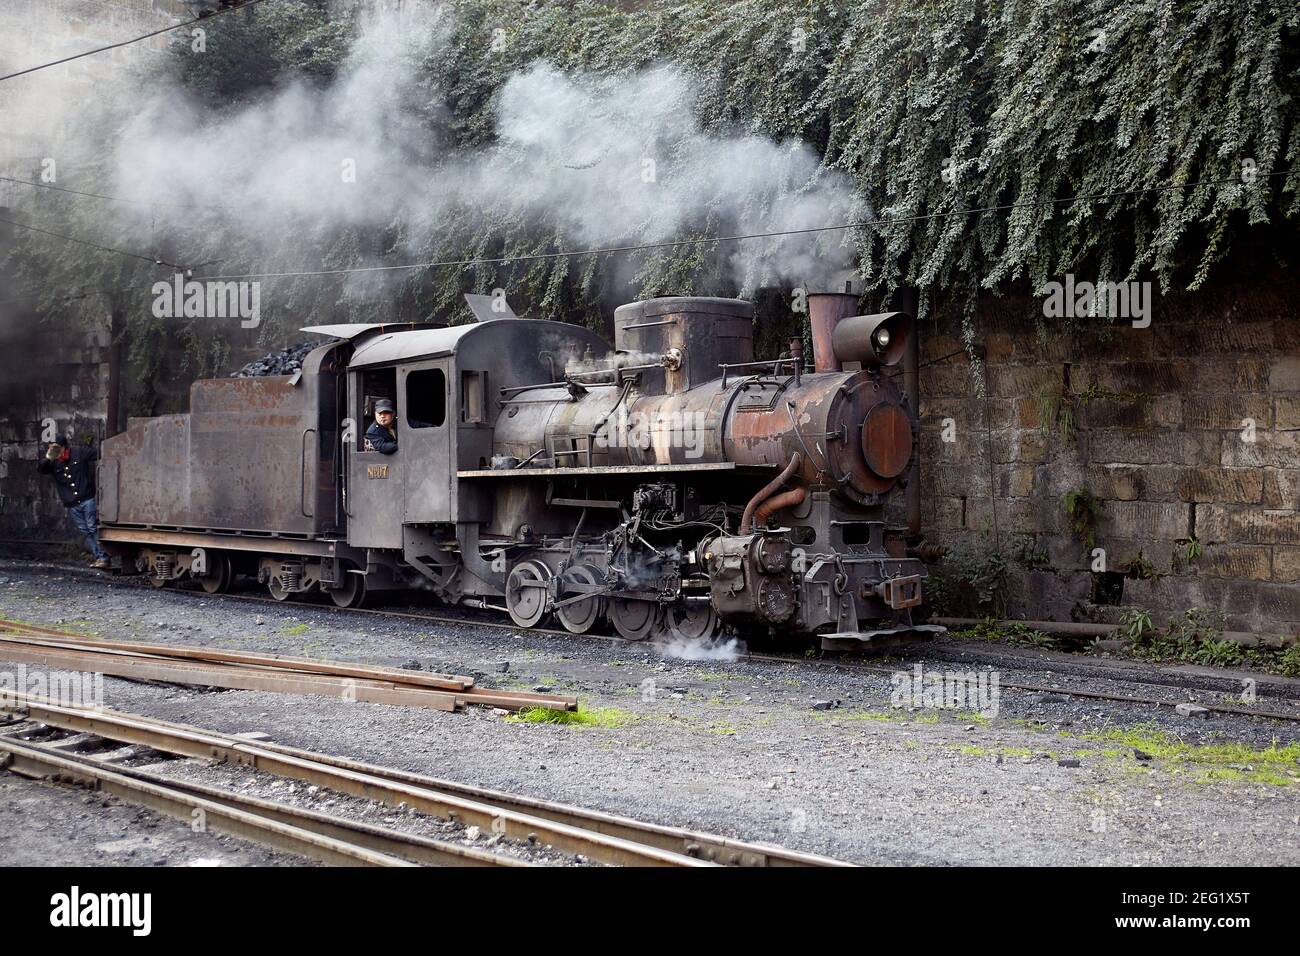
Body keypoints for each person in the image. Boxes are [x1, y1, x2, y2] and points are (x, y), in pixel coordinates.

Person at [38, 439, 111, 569]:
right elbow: (41, 469)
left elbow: (99, 453)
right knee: (86, 531)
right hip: (72, 504)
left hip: (87, 498)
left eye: (55, 448)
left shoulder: (78, 453)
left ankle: (104, 557)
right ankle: (100, 557)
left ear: (63, 446)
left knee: (92, 527)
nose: (53, 450)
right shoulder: (53, 462)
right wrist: (48, 457)